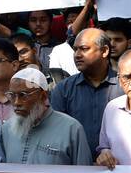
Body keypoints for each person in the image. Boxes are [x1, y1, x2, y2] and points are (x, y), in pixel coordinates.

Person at [0, 67, 92, 167]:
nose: (16, 102)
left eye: (23, 95)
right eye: (12, 95)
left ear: (43, 96)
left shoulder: (71, 129)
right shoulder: (6, 129)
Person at [50, 28, 120, 156]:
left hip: (119, 164)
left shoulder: (124, 86)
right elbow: (56, 134)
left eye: (84, 49)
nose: (77, 55)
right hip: (75, 165)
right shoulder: (63, 89)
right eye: (75, 49)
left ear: (104, 51)